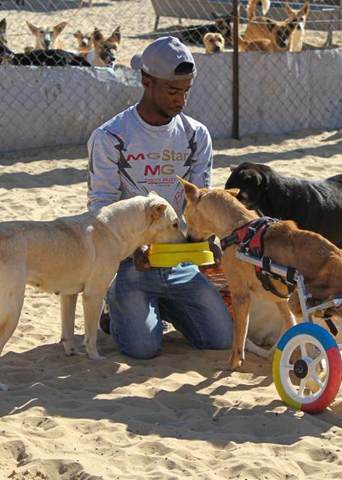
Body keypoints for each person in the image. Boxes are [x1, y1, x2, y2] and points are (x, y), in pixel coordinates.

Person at [86, 36, 233, 359]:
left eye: (186, 91)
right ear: (146, 82)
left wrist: (208, 240)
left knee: (221, 339)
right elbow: (101, 209)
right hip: (131, 264)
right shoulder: (110, 137)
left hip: (179, 258)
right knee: (143, 349)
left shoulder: (196, 135)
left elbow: (201, 203)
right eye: (172, 91)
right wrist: (133, 249)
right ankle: (114, 309)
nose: (181, 100)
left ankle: (159, 306)